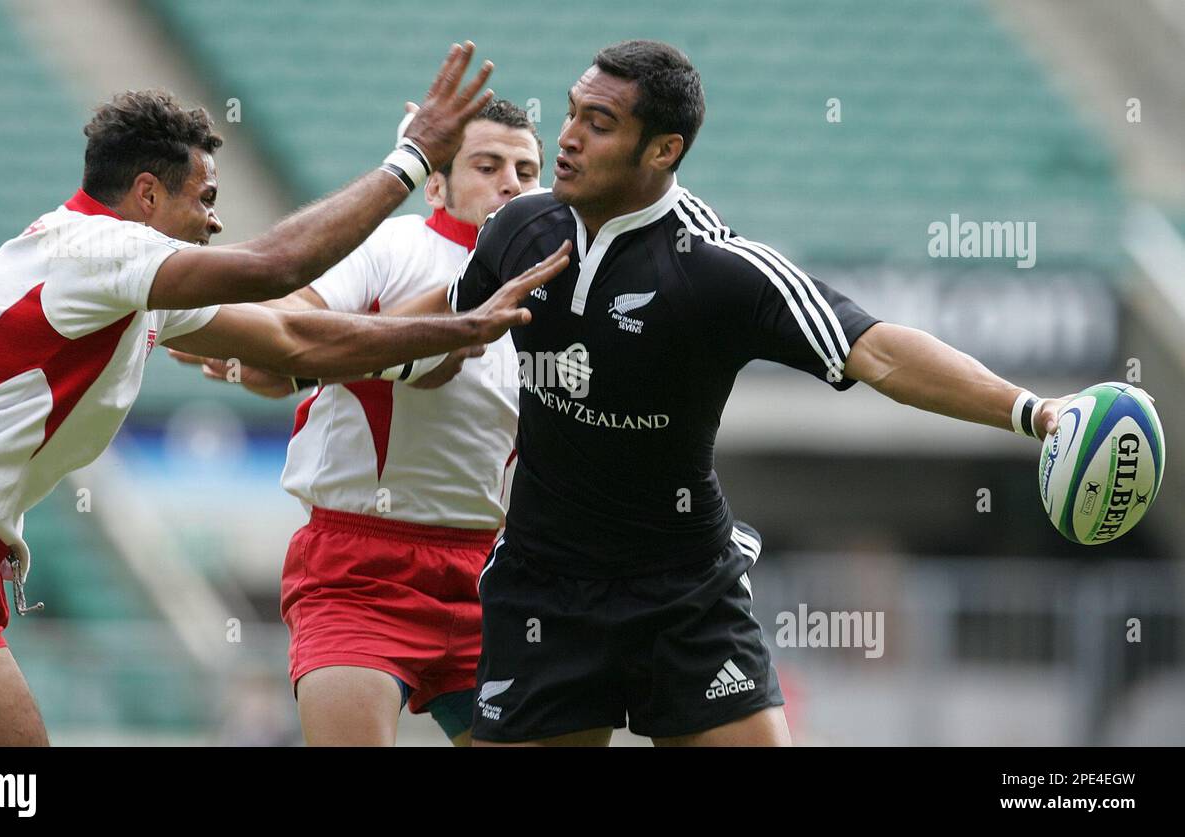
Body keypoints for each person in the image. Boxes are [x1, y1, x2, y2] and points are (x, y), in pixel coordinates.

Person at [0, 43, 570, 746]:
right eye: (205, 200)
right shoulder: (95, 250)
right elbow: (276, 270)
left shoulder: (123, 279)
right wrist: (410, 159)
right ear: (148, 195)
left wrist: (460, 327)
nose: (215, 225)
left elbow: (296, 344)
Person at [405, 39, 1072, 746]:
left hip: (684, 600)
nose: (566, 138)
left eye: (598, 124)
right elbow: (439, 320)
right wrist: (316, 345)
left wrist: (1034, 411)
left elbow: (878, 350)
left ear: (662, 150)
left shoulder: (718, 269)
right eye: (571, 114)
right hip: (544, 593)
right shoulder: (519, 229)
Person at [173, 99, 544, 746]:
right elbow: (281, 333)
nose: (510, 182)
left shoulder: (559, 284)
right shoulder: (392, 244)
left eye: (526, 169)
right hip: (358, 566)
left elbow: (275, 367)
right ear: (436, 183)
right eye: (486, 165)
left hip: (495, 571)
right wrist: (274, 362)